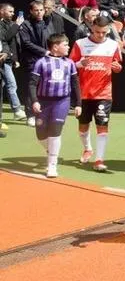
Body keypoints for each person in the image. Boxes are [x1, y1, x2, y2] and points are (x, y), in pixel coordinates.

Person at [70, 15, 123, 172]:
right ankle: (87, 149)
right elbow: (70, 65)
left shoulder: (113, 45)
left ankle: (99, 160)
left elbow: (117, 64)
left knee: (102, 126)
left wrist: (117, 68)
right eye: (98, 32)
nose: (100, 35)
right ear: (92, 28)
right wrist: (80, 64)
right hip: (83, 93)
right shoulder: (80, 44)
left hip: (104, 94)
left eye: (104, 32)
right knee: (83, 126)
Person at [29, 34, 80, 178]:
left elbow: (75, 84)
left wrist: (78, 104)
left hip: (62, 101)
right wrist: (35, 101)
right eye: (65, 44)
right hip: (43, 102)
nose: (68, 47)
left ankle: (52, 164)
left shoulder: (69, 63)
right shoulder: (41, 63)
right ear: (56, 47)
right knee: (41, 135)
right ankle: (51, 150)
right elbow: (32, 84)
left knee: (55, 131)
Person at [18, 1, 50, 127]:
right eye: (36, 10)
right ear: (31, 11)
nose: (39, 12)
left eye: (41, 10)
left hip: (46, 60)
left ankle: (41, 114)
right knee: (32, 88)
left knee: (44, 88)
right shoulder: (25, 25)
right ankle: (30, 115)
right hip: (31, 61)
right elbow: (26, 43)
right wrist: (44, 51)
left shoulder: (46, 23)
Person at [0, 4, 25, 123]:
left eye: (13, 11)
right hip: (3, 60)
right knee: (12, 84)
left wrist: (15, 59)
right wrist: (16, 25)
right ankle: (17, 110)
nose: (12, 14)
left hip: (9, 60)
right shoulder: (3, 24)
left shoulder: (11, 24)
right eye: (10, 11)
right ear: (2, 11)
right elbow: (5, 38)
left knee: (4, 85)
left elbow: (13, 44)